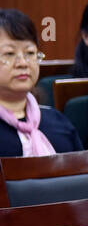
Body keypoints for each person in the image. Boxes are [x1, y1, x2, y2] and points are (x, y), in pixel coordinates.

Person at [0, 9, 82, 157]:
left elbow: (84, 177)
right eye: (9, 54)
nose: (23, 63)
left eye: (30, 53)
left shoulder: (58, 122)